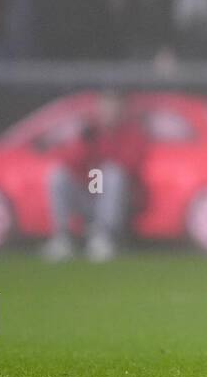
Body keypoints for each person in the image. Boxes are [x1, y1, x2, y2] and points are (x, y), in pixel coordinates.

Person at [42, 92, 146, 262]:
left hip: (119, 201)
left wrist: (101, 153)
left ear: (123, 109)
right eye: (105, 106)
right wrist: (84, 144)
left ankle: (104, 237)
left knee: (112, 174)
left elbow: (128, 164)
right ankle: (63, 238)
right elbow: (72, 163)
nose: (110, 111)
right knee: (58, 175)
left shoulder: (132, 133)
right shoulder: (90, 131)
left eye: (114, 106)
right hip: (90, 190)